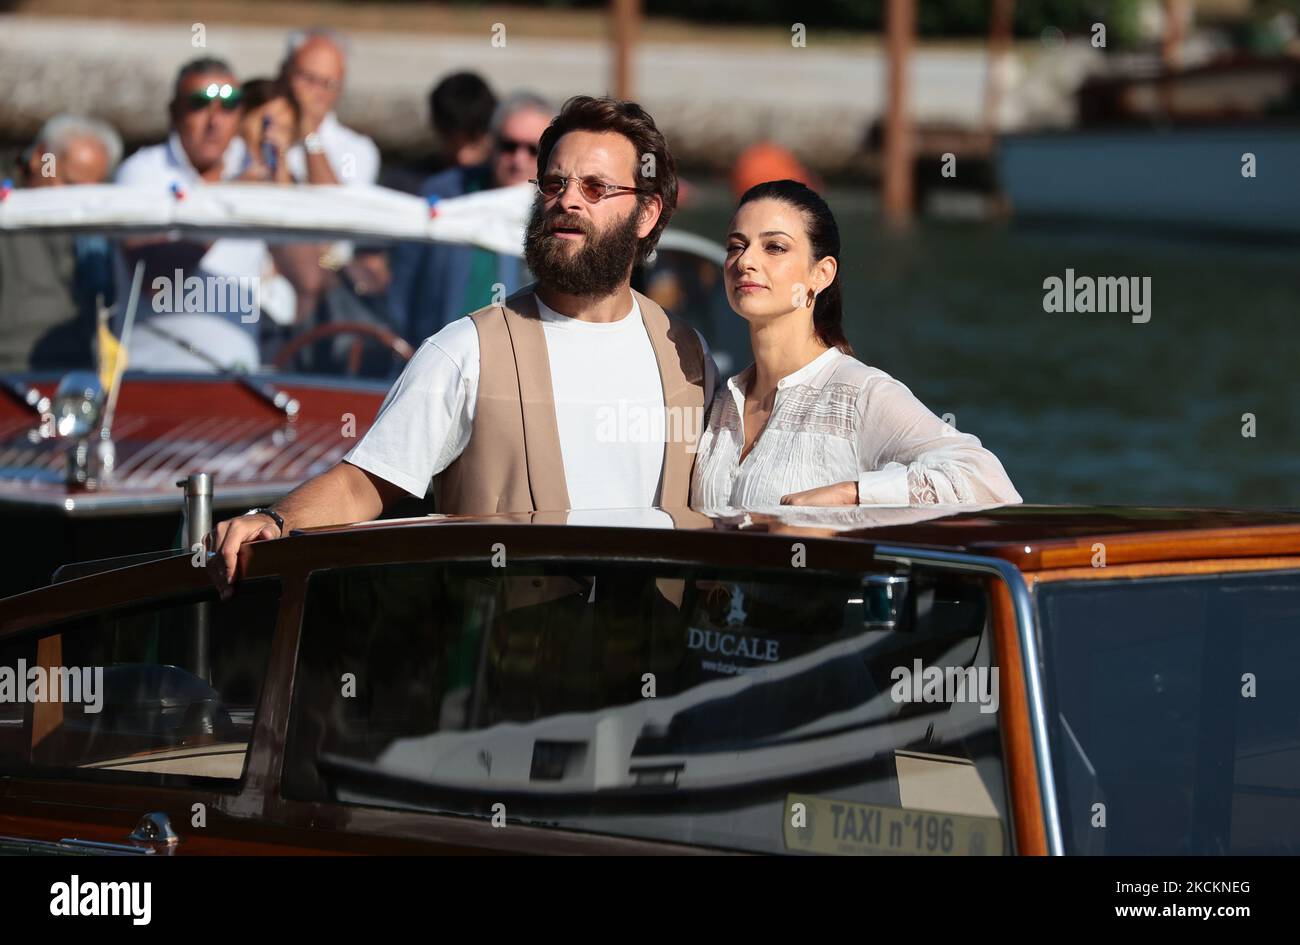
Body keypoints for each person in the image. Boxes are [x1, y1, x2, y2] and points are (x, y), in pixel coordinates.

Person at [207, 95, 718, 600]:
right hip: (506, 669)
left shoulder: (687, 356)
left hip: (667, 665)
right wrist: (274, 519)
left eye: (595, 187)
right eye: (555, 183)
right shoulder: (466, 350)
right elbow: (363, 484)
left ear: (648, 214)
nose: (568, 200)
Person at [691, 179, 1022, 509]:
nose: (746, 261)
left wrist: (853, 493)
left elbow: (988, 482)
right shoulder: (720, 400)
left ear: (821, 274)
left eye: (774, 247)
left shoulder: (858, 395)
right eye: (736, 246)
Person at [114, 57, 264, 371]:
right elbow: (156, 281)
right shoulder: (142, 172)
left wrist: (286, 178)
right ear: (174, 113)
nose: (215, 120)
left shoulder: (256, 175)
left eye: (229, 105)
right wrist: (231, 198)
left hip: (243, 383)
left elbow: (311, 281)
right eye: (200, 104)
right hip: (151, 376)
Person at [388, 91, 554, 342]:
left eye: (534, 149)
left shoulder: (563, 209)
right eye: (509, 146)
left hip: (523, 364)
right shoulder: (445, 195)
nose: (519, 160)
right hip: (442, 358)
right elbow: (403, 287)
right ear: (491, 143)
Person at [0, 114, 121, 372]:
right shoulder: (5, 207)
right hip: (11, 376)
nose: (78, 201)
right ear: (41, 159)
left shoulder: (96, 220)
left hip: (76, 379)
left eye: (90, 192)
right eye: (70, 185)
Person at [279, 28, 379, 186]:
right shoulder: (253, 130)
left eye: (328, 84)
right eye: (307, 78)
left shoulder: (353, 151)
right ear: (284, 72)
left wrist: (310, 136)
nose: (316, 92)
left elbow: (341, 203)